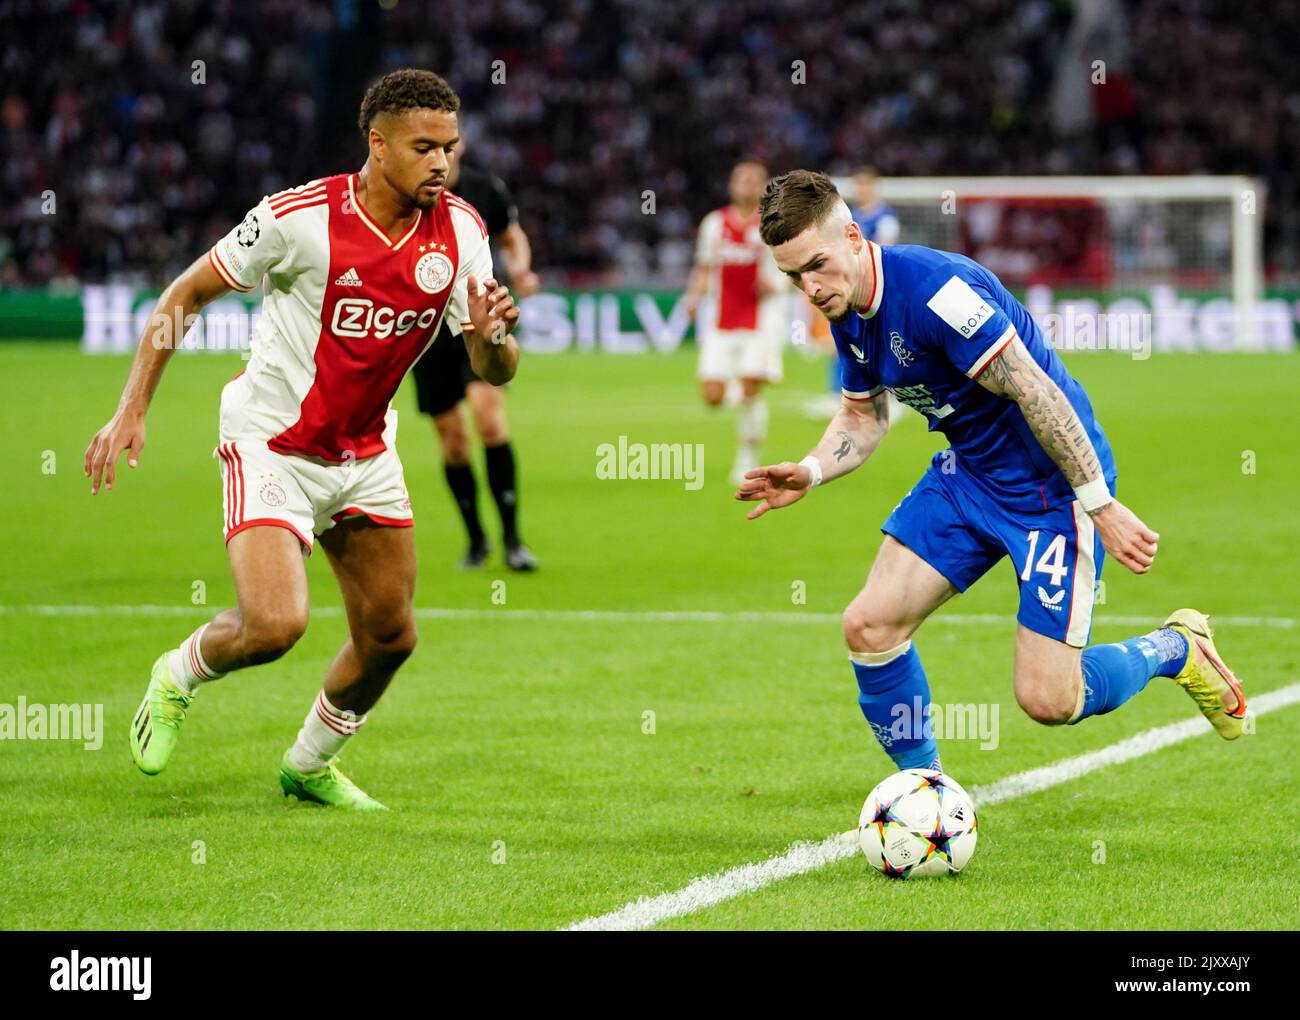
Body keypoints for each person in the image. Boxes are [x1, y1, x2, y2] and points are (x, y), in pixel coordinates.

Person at [84, 69, 521, 810]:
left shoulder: (464, 232)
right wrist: (131, 408)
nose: (443, 164)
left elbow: (496, 368)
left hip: (365, 453)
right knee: (275, 625)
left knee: (391, 636)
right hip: (271, 443)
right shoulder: (298, 218)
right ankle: (178, 674)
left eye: (451, 147)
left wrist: (491, 339)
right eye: (425, 148)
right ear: (377, 144)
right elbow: (183, 295)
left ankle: (309, 765)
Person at [738, 170, 1245, 779]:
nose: (809, 288)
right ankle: (925, 791)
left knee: (1050, 701)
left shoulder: (939, 294)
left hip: (1051, 488)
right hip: (968, 474)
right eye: (793, 276)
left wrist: (1099, 504)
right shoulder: (846, 305)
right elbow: (863, 414)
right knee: (868, 626)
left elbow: (1037, 391)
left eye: (816, 266)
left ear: (853, 235)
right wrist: (814, 469)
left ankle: (1177, 648)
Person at [410, 138, 539, 570]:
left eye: (451, 140)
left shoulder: (486, 190)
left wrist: (520, 268)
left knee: (489, 419)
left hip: (479, 316)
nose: (445, 150)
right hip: (427, 329)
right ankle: (477, 540)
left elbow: (511, 235)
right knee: (454, 443)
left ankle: (514, 540)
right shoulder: (409, 193)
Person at [683, 159, 787, 485]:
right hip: (722, 319)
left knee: (749, 386)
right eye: (741, 179)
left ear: (763, 187)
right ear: (731, 184)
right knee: (713, 395)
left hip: (762, 320)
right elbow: (703, 266)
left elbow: (793, 266)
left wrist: (778, 284)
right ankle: (747, 412)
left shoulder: (775, 224)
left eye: (753, 180)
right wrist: (693, 297)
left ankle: (748, 456)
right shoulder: (714, 224)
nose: (746, 185)